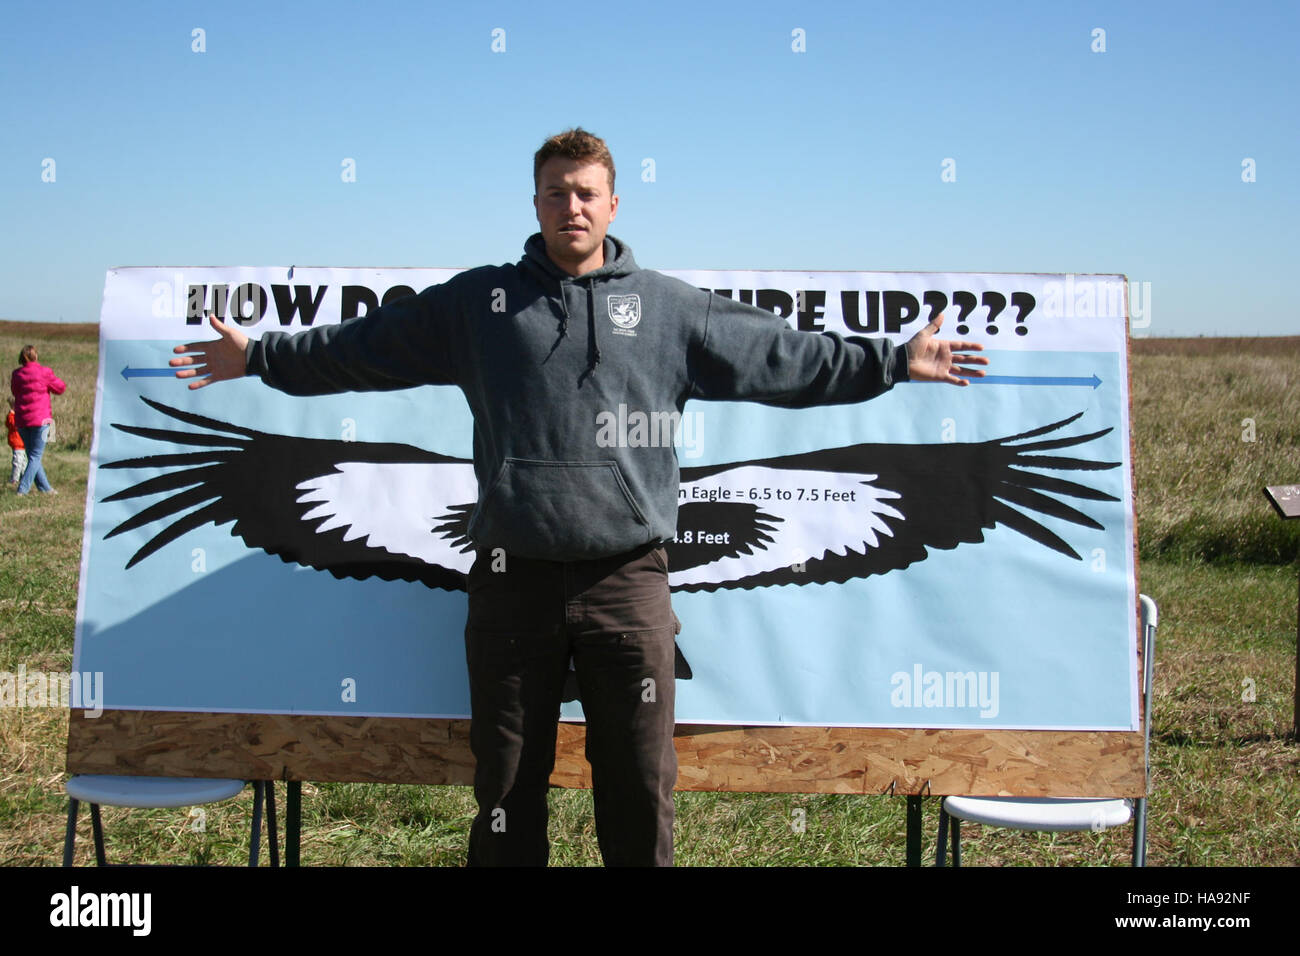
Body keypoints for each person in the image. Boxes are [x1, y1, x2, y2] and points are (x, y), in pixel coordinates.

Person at [170, 128, 988, 866]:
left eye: (586, 191)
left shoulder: (669, 309)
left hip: (627, 583)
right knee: (506, 790)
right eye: (556, 190)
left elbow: (782, 357)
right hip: (509, 581)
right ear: (534, 201)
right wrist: (265, 356)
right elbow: (365, 349)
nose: (572, 205)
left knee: (637, 790)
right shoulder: (480, 305)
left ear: (613, 204)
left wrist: (887, 361)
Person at [11, 345, 66, 496]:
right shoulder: (45, 372)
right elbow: (60, 388)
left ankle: (45, 488)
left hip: (22, 420)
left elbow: (14, 391)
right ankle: (22, 490)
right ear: (36, 356)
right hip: (41, 421)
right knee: (35, 456)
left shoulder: (17, 374)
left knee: (33, 455)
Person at [6, 397, 25, 487]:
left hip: (22, 443)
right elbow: (13, 424)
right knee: (17, 462)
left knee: (23, 462)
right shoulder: (12, 416)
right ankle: (14, 479)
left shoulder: (17, 416)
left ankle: (23, 477)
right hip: (17, 443)